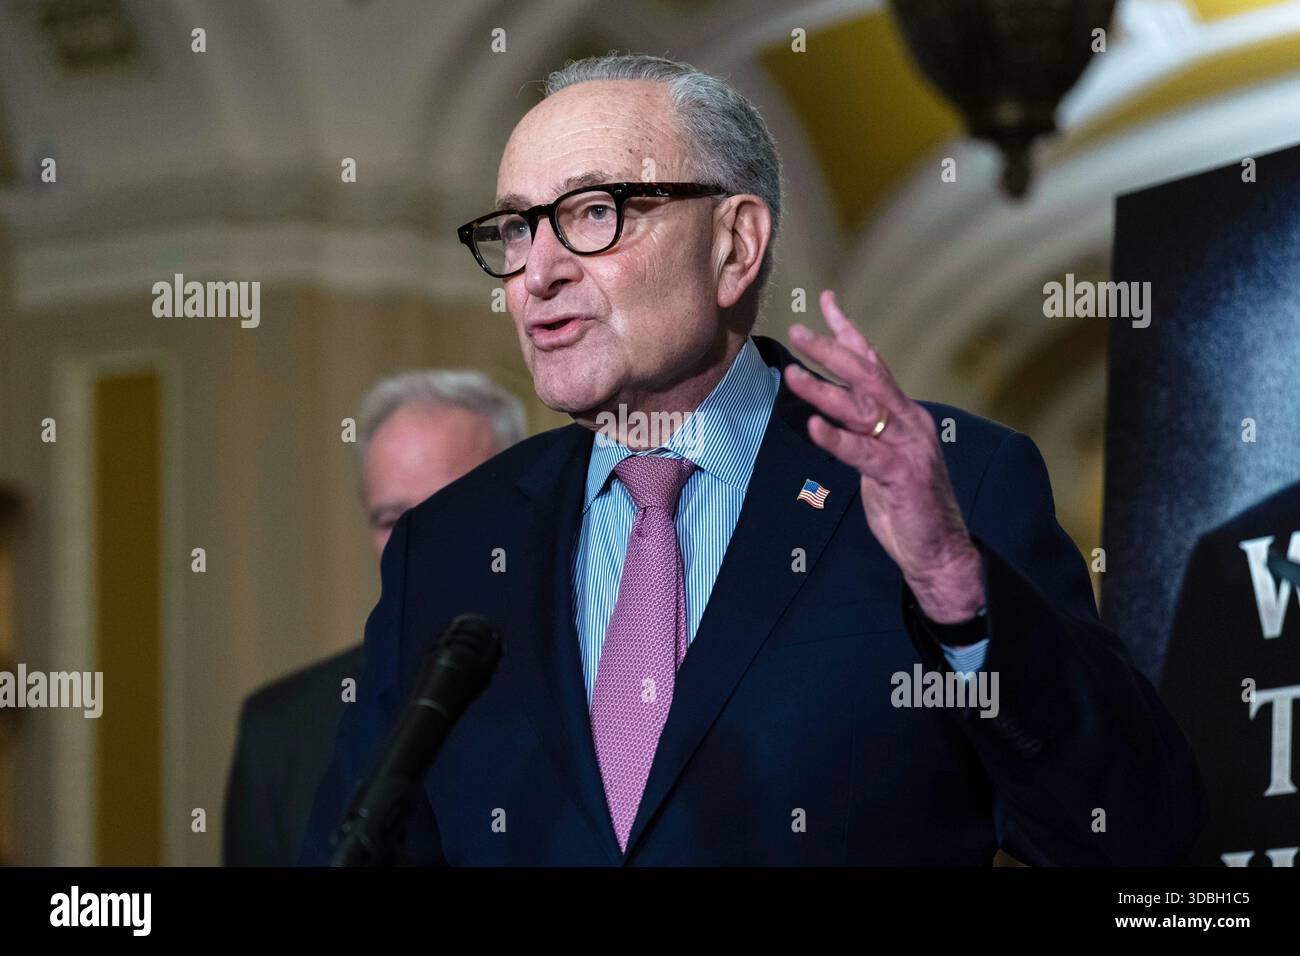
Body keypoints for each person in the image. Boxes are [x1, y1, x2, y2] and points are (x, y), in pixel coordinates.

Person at [301, 53, 1206, 865]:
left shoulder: (951, 487)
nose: (536, 272)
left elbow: (1135, 834)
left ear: (735, 246)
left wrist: (954, 590)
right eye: (513, 230)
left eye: (591, 212)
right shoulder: (451, 546)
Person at [223, 370, 525, 865]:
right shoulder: (281, 731)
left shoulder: (600, 697)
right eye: (391, 520)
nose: (416, 543)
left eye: (450, 506)